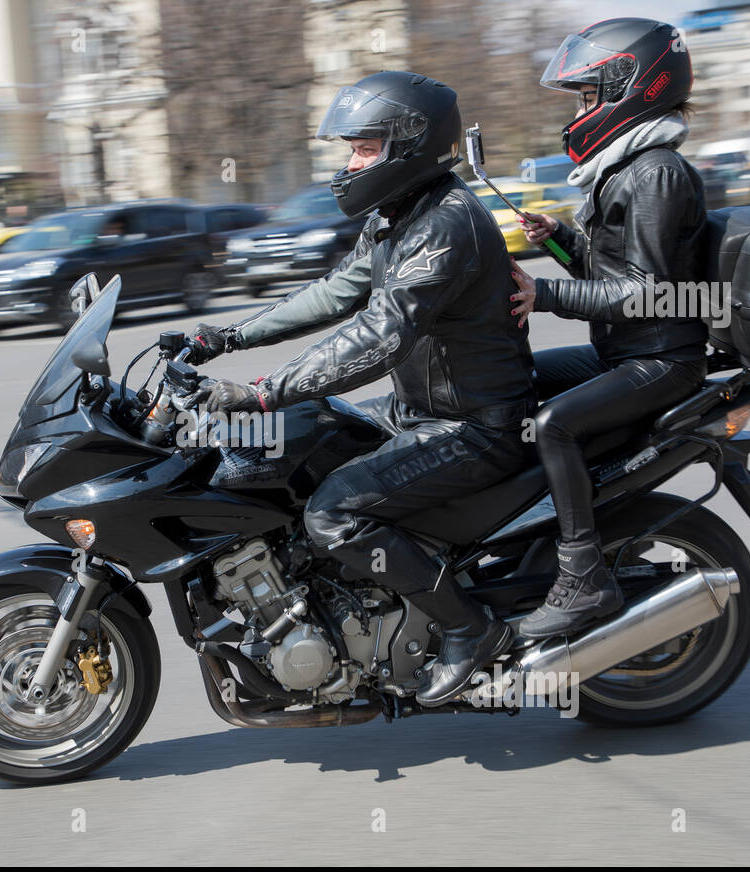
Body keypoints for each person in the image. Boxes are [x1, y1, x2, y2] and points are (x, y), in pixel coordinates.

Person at [187, 71, 537, 706]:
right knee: (305, 443)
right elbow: (337, 291)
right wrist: (228, 338)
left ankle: (467, 627)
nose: (350, 163)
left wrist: (264, 393)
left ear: (411, 144)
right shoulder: (398, 213)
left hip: (475, 428)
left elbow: (381, 335)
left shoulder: (445, 224)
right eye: (350, 148)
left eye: (364, 148)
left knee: (332, 511)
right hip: (421, 410)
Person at [509, 18, 711, 640]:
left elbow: (645, 292)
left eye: (589, 95)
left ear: (635, 86)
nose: (582, 110)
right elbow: (614, 267)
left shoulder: (656, 172)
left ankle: (581, 574)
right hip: (625, 349)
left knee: (554, 422)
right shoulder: (626, 168)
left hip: (658, 360)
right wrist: (562, 242)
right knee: (517, 378)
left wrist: (544, 294)